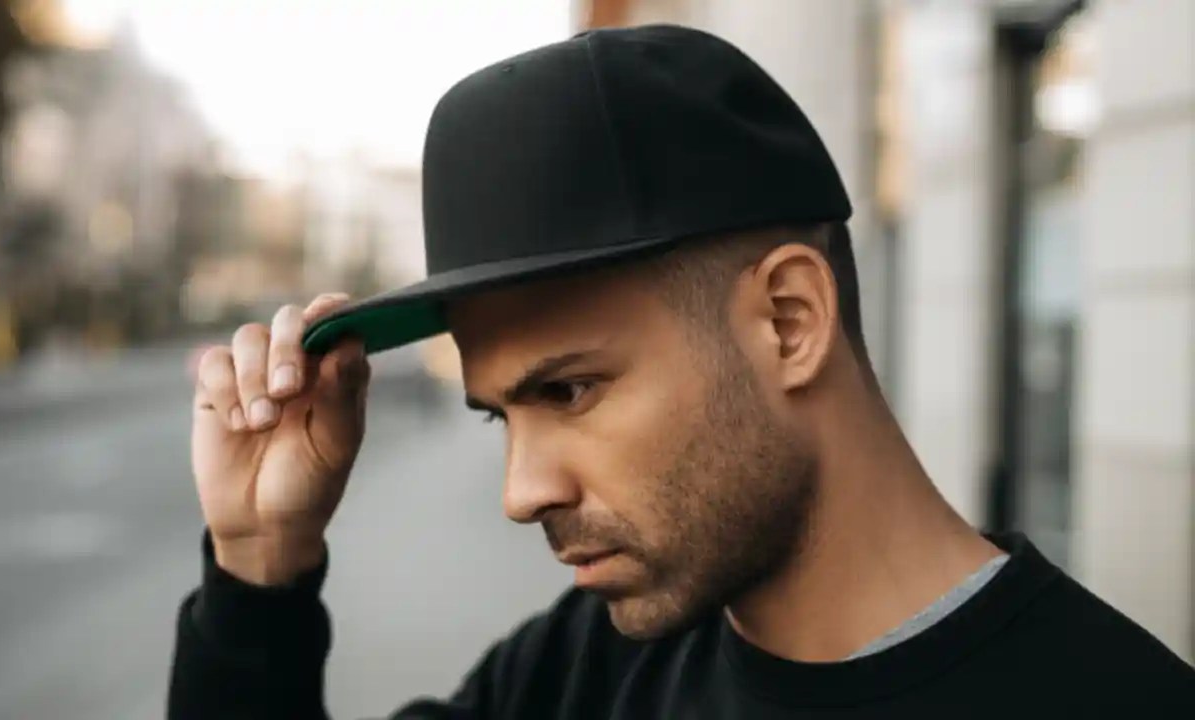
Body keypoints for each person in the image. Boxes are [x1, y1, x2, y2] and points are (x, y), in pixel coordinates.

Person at [168, 24, 1195, 719]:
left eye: (568, 390)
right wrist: (259, 564)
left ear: (788, 320)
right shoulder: (589, 671)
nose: (523, 492)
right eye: (499, 417)